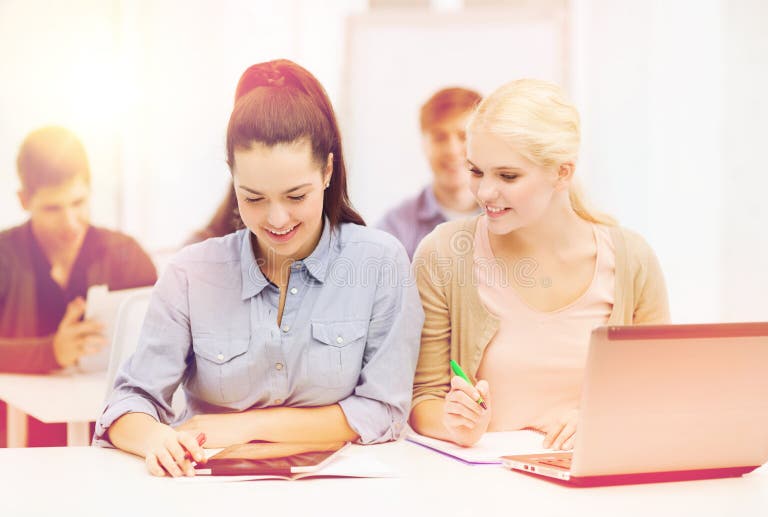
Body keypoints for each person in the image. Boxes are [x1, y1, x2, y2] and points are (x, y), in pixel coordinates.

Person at [95, 59, 424, 477]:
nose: (277, 219)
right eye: (253, 198)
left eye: (295, 196)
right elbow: (127, 403)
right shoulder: (192, 273)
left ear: (326, 171)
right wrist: (157, 437)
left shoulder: (380, 263)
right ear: (232, 179)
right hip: (208, 491)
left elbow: (382, 412)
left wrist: (239, 427)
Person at [409, 79, 670, 450]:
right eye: (476, 171)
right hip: (487, 486)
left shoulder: (632, 260)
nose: (484, 192)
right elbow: (424, 399)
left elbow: (659, 392)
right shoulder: (444, 254)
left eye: (508, 176)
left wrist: (601, 418)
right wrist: (455, 424)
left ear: (562, 172)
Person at [0, 126, 157, 446]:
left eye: (78, 202)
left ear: (90, 189)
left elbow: (168, 347)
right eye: (53, 208)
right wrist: (51, 352)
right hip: (14, 443)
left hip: (111, 440)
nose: (70, 221)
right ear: (24, 200)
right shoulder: (5, 256)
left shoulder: (127, 256)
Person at [376, 87, 482, 259]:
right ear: (424, 145)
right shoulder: (394, 227)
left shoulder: (513, 217)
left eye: (463, 136)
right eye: (440, 137)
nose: (452, 150)